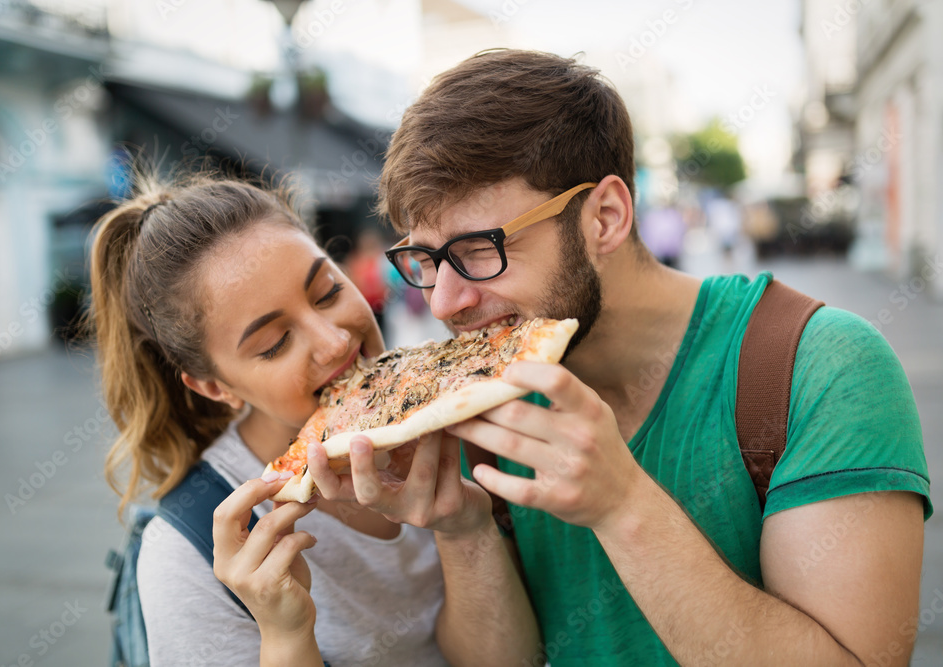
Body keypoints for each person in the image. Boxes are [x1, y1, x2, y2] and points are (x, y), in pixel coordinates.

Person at [308, 50, 933, 666]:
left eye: (478, 249)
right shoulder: (479, 410)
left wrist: (622, 504)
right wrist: (464, 532)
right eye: (426, 260)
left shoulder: (821, 366)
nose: (445, 302)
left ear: (604, 217)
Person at [87, 170, 535, 665]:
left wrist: (464, 528)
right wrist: (286, 635)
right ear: (215, 386)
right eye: (274, 343)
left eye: (326, 292)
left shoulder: (451, 409)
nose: (335, 340)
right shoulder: (184, 557)